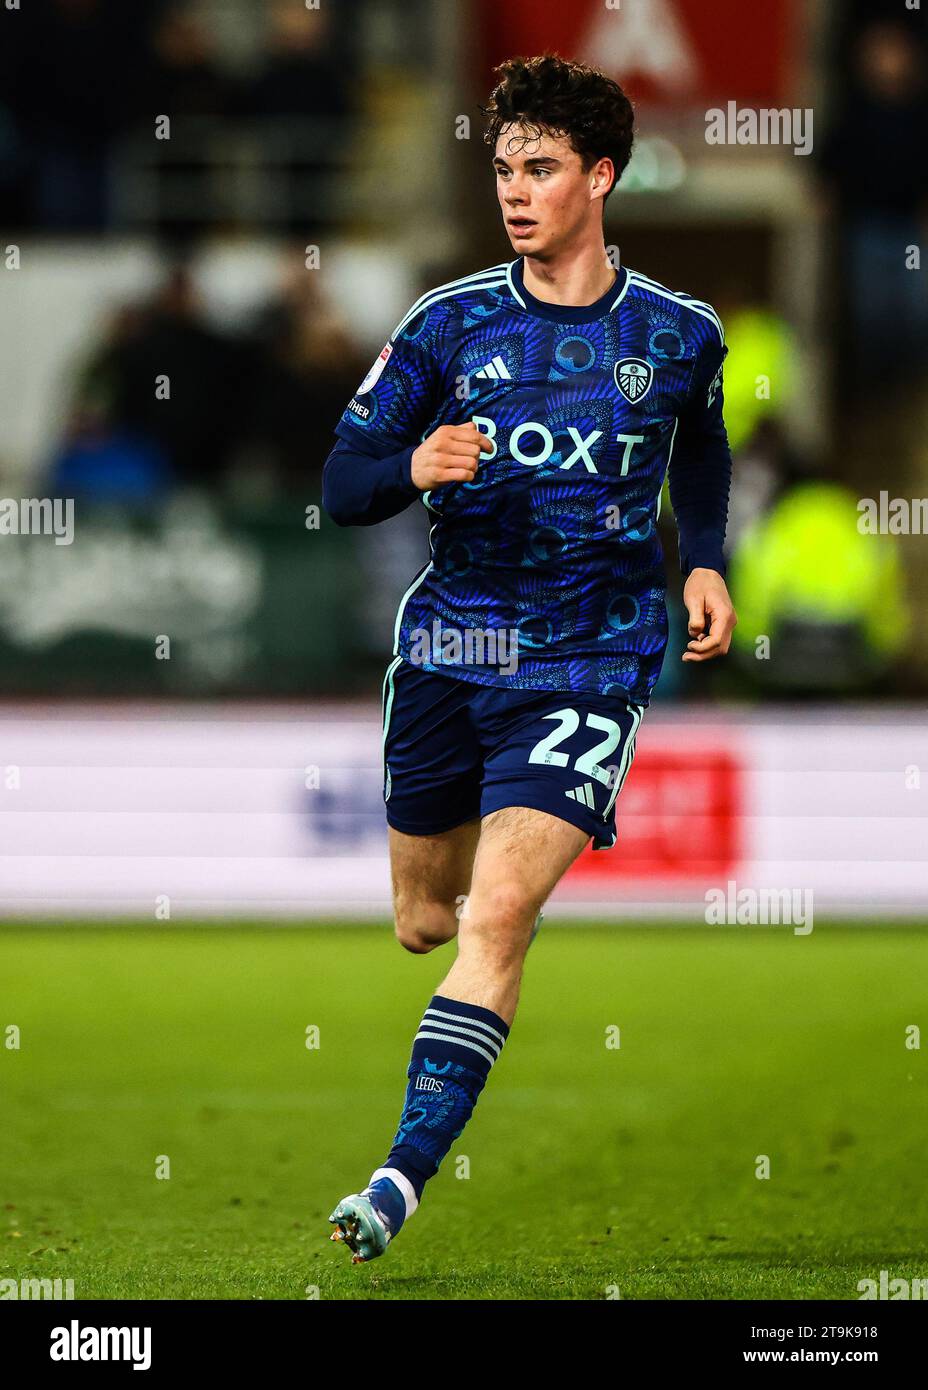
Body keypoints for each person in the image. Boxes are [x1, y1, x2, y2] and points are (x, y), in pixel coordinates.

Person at [321, 54, 736, 1263]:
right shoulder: (445, 326)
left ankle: (395, 1180)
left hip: (593, 658)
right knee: (422, 920)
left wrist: (701, 558)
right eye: (503, 166)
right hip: (454, 648)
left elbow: (698, 443)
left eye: (541, 168)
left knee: (495, 918)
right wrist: (411, 467)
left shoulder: (676, 332)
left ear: (600, 177)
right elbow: (343, 481)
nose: (515, 188)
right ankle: (474, 966)